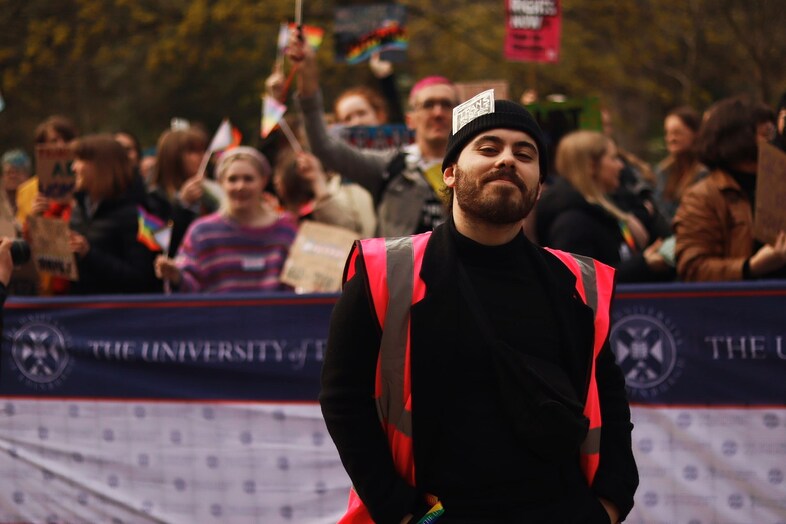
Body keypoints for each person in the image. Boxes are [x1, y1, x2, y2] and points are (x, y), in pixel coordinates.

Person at [322, 97, 638, 523]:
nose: (508, 160)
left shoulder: (576, 282)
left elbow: (611, 401)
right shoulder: (386, 271)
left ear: (539, 185)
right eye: (488, 148)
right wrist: (406, 515)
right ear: (449, 173)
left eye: (525, 154)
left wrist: (609, 506)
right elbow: (344, 401)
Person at [287, 32, 459, 237]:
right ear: (411, 119)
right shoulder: (390, 167)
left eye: (446, 105)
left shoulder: (474, 167)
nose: (438, 113)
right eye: (428, 105)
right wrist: (308, 79)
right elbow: (324, 147)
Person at [154, 146, 297, 293]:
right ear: (221, 182)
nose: (240, 186)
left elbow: (298, 287)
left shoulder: (285, 229)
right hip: (219, 316)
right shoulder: (202, 232)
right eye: (232, 179)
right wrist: (176, 277)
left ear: (263, 180)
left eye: (248, 179)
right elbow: (190, 288)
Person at [673, 96, 786, 281]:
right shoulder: (702, 197)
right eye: (766, 133)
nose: (773, 142)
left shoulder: (777, 185)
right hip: (738, 304)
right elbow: (693, 268)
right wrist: (751, 267)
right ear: (739, 139)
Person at [536, 130, 673, 283]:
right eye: (613, 158)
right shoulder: (571, 223)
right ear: (591, 166)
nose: (621, 166)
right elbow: (582, 283)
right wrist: (643, 265)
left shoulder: (607, 212)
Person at [65, 134, 160, 294]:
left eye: (80, 160)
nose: (73, 167)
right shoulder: (79, 209)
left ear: (101, 166)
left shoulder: (140, 213)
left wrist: (90, 254)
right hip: (81, 310)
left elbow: (143, 278)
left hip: (119, 313)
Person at [146, 127, 223, 256]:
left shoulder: (212, 192)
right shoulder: (154, 198)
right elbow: (160, 245)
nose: (203, 157)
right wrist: (183, 205)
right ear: (173, 157)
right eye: (193, 151)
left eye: (204, 150)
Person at [273, 150, 377, 237]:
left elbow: (346, 232)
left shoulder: (340, 193)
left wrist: (317, 181)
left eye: (279, 175)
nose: (276, 182)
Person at [16, 115, 79, 227]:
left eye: (67, 140)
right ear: (42, 147)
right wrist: (34, 216)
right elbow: (21, 234)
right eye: (54, 141)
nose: (61, 145)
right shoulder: (26, 191)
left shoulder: (87, 182)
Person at [653, 106, 707, 222]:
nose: (671, 138)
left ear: (695, 133)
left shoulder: (704, 173)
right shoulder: (663, 171)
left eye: (677, 133)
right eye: (668, 133)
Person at [1, 149, 32, 218]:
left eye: (17, 171)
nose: (12, 176)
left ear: (27, 175)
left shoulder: (36, 201)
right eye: (8, 172)